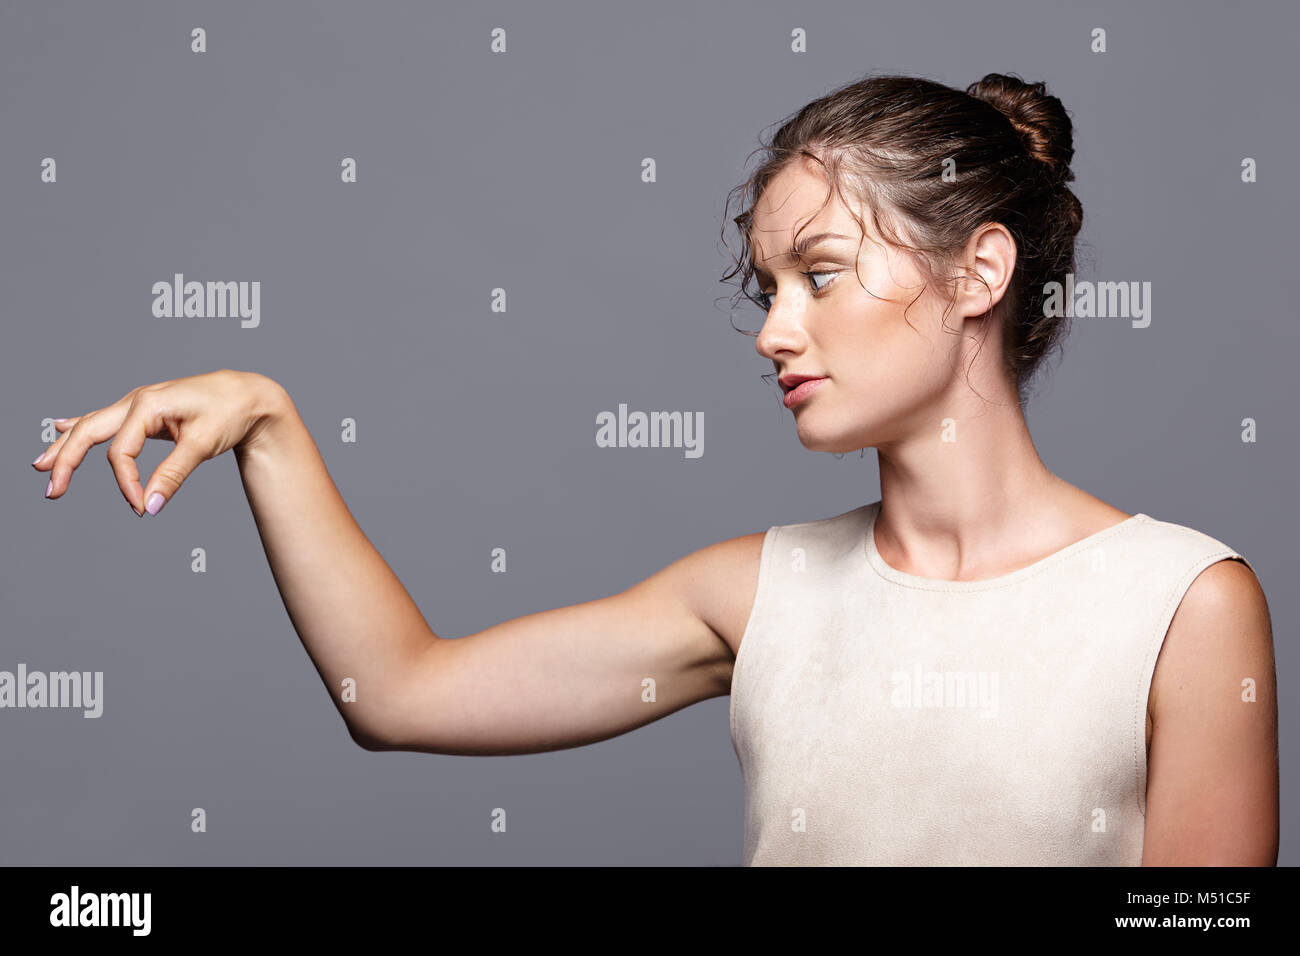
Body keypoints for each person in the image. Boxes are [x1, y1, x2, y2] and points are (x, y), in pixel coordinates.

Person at [32, 72, 1277, 866]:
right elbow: (398, 692)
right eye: (766, 288)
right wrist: (269, 424)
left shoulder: (1180, 606)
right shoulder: (755, 595)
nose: (775, 330)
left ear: (978, 273)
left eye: (822, 273)